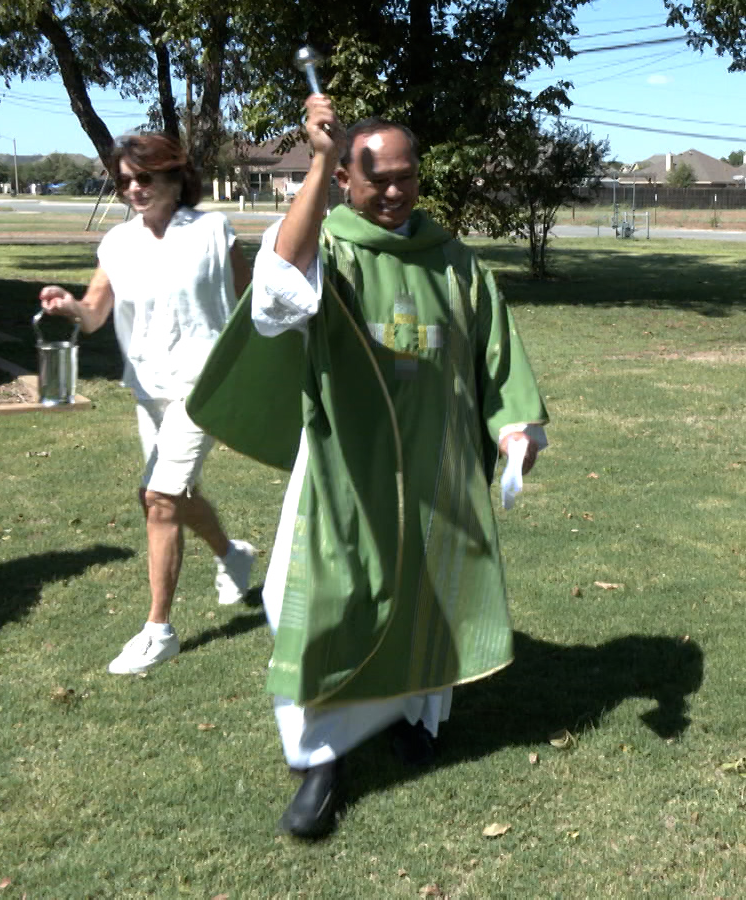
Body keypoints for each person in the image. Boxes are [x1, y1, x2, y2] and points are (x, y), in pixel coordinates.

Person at [186, 93, 548, 840]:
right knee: (315, 604)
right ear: (347, 180)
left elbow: (494, 352)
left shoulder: (453, 260)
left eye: (405, 176)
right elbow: (277, 291)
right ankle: (319, 761)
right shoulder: (331, 248)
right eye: (375, 178)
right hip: (344, 467)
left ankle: (418, 718)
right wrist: (317, 160)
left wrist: (515, 428)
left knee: (428, 597)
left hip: (439, 469)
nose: (392, 191)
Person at [38, 132, 254, 675]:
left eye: (145, 177)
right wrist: (68, 305)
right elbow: (94, 313)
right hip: (148, 387)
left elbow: (253, 300)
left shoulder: (212, 230)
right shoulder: (117, 243)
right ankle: (232, 554)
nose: (134, 188)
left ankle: (159, 630)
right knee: (173, 496)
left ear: (175, 178)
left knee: (158, 497)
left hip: (204, 384)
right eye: (125, 180)